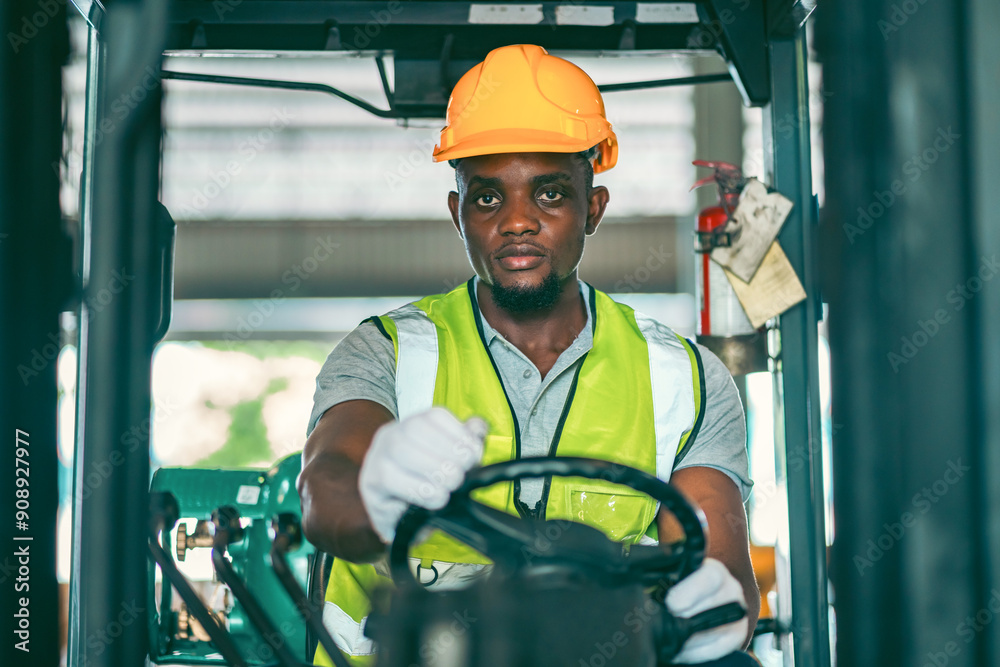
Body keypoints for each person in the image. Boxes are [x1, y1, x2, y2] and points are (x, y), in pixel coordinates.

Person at [298, 44, 759, 666]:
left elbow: (721, 572)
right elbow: (327, 496)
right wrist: (373, 495)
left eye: (549, 194)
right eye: (488, 198)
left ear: (592, 208)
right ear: (457, 212)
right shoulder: (386, 351)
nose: (517, 221)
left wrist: (706, 617)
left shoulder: (687, 379)